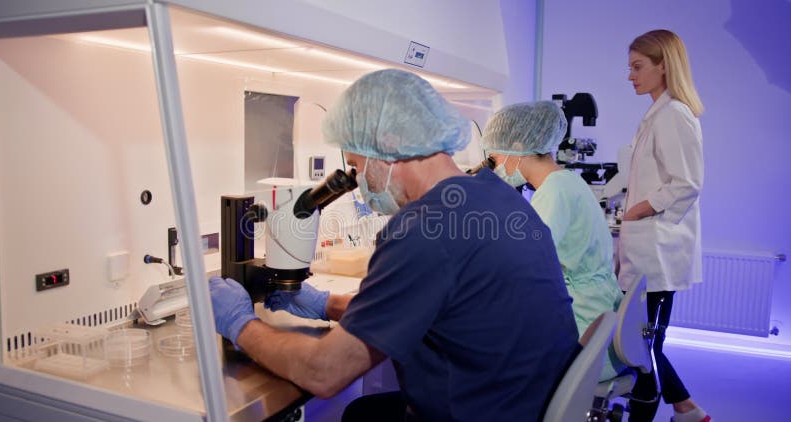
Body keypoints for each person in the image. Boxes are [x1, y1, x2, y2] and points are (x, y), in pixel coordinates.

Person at [209, 68, 580, 421]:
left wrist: (239, 323)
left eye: (357, 166)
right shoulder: (496, 196)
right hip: (520, 403)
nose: (360, 183)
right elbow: (422, 304)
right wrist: (324, 303)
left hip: (481, 411)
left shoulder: (424, 229)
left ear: (387, 146)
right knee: (363, 414)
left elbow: (324, 372)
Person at [481, 101, 624, 381]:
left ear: (517, 147)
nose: (495, 167)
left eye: (494, 159)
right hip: (599, 325)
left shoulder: (555, 190)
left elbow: (526, 262)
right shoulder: (567, 181)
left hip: (583, 333)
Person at [618, 29, 709, 422]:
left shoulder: (673, 115)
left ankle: (673, 413)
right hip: (648, 251)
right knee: (644, 343)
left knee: (644, 348)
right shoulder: (658, 113)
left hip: (657, 252)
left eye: (638, 67)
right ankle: (687, 410)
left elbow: (686, 184)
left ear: (663, 66)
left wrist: (638, 210)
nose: (630, 76)